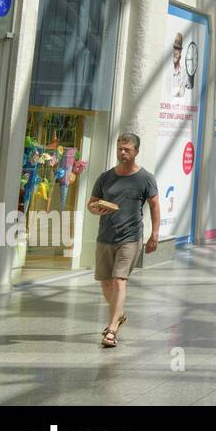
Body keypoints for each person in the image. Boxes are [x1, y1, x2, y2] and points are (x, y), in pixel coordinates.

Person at [87, 133, 159, 348]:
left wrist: (154, 235)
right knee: (106, 282)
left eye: (127, 149)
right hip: (105, 236)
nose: (122, 152)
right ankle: (119, 314)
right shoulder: (105, 178)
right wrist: (96, 209)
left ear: (136, 151)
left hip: (131, 237)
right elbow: (91, 204)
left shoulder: (145, 178)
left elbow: (154, 206)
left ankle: (111, 330)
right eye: (120, 148)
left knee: (119, 280)